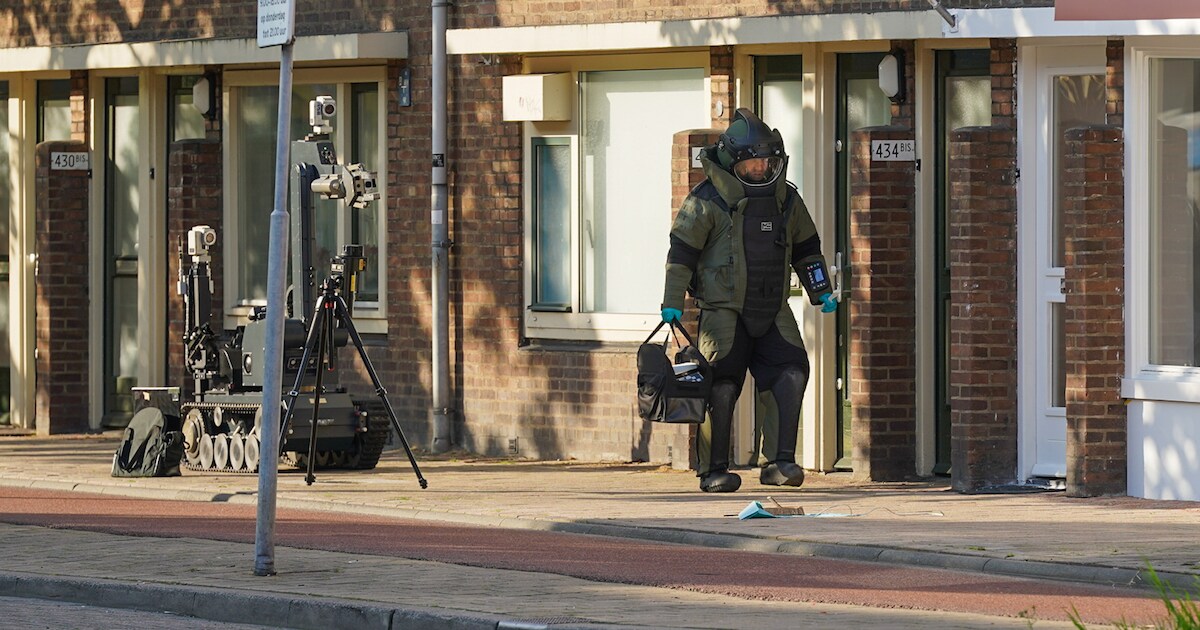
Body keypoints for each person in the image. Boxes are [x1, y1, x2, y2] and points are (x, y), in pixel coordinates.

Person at [661, 108, 837, 493]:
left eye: (767, 162)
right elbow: (681, 255)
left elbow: (808, 249)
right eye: (752, 163)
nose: (760, 169)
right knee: (720, 386)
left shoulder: (787, 200)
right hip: (723, 311)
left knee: (791, 374)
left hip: (773, 308)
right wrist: (671, 301)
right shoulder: (704, 201)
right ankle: (714, 470)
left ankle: (780, 462)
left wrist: (821, 290)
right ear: (731, 162)